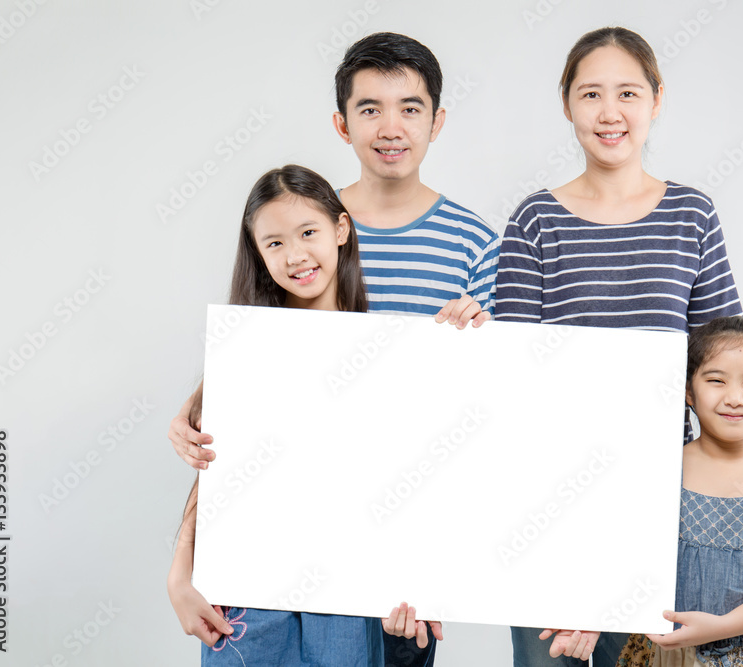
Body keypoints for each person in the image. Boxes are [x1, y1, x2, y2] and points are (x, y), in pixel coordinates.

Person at [493, 27, 743, 665]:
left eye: (628, 93)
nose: (609, 112)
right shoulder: (535, 220)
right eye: (591, 93)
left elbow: (730, 354)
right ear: (566, 103)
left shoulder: (691, 215)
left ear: (656, 100)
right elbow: (509, 374)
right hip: (551, 493)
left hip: (657, 497)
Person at [168, 32, 498, 665]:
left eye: (410, 107)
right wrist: (200, 401)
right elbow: (244, 402)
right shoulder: (305, 216)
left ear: (437, 121)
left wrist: (436, 570)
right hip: (268, 562)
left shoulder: (475, 244)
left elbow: (475, 423)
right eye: (370, 108)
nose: (390, 127)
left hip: (385, 568)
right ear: (342, 124)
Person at [168, 164, 389, 665]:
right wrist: (179, 571)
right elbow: (215, 467)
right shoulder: (245, 346)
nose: (295, 255)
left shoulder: (380, 349)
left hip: (346, 594)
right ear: (258, 253)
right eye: (274, 243)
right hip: (248, 591)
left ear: (341, 229)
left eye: (308, 233)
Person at [594, 315, 743, 665]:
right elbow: (619, 557)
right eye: (716, 380)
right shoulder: (662, 472)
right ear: (689, 391)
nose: (734, 398)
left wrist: (721, 626)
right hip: (659, 656)